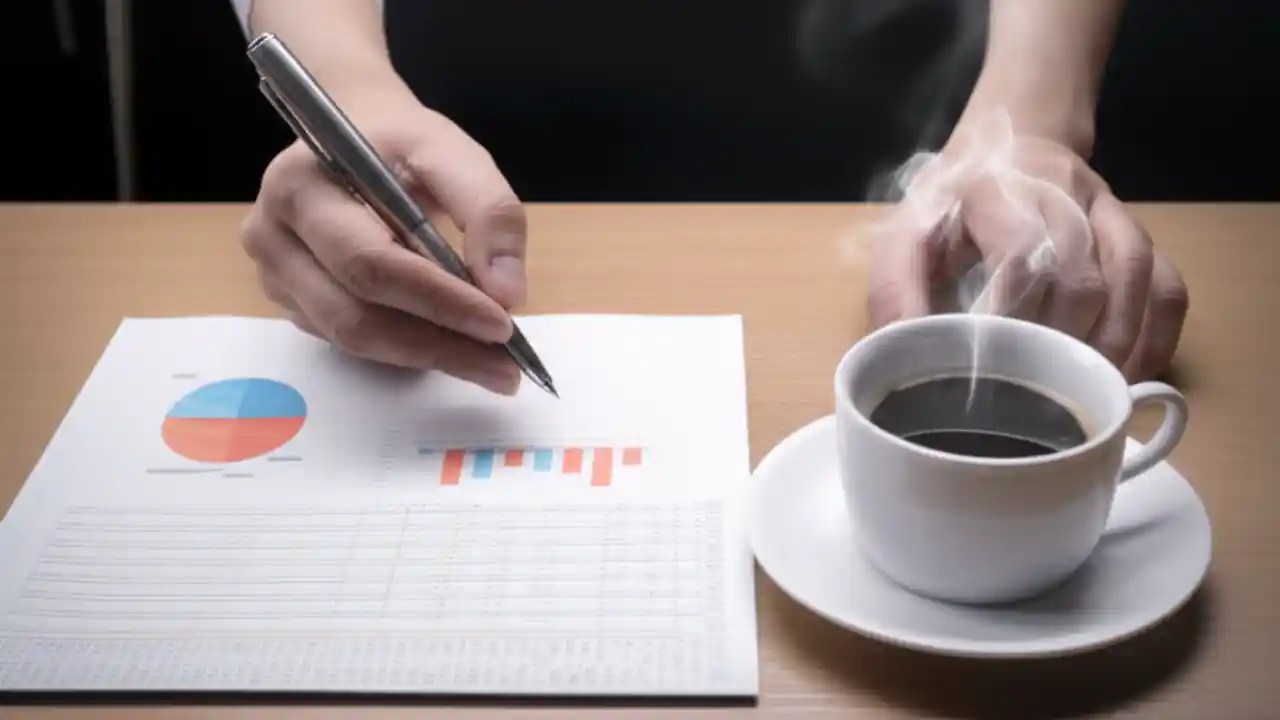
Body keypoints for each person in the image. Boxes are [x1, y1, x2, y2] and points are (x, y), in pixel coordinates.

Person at [235, 0, 1188, 396]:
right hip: (464, 95)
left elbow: (1032, 107)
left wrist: (1032, 113)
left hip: (916, 105)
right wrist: (351, 98)